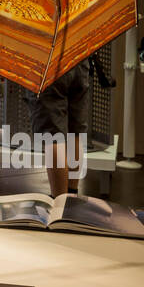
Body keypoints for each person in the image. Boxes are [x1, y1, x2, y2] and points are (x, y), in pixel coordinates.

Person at [27, 62, 90, 198]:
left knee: (53, 136)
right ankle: (72, 197)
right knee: (75, 131)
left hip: (49, 65)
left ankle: (59, 204)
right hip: (79, 59)